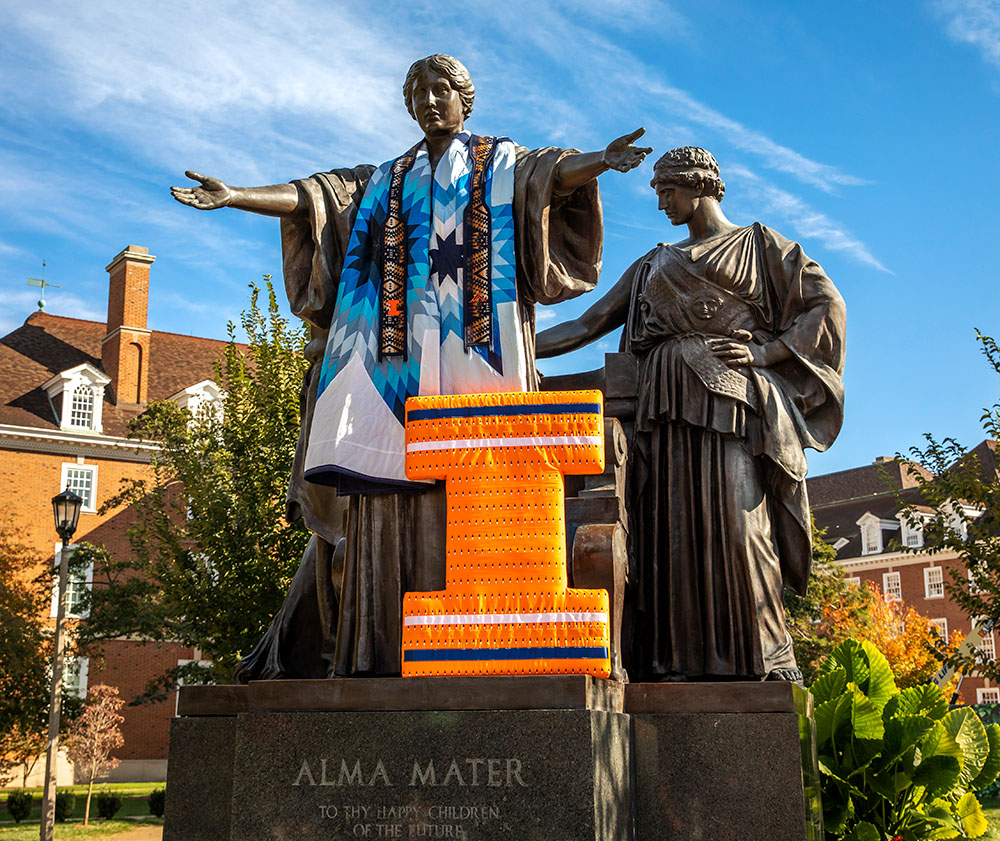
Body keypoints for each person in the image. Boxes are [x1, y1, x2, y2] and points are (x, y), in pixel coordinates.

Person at [171, 54, 651, 678]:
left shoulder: (500, 162)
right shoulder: (385, 180)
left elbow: (552, 176)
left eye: (441, 90)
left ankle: (496, 634)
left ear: (464, 99)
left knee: (490, 484)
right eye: (418, 93)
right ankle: (383, 640)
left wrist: (600, 161)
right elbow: (314, 199)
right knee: (389, 480)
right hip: (394, 366)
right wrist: (236, 195)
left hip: (484, 350)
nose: (429, 102)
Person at [535, 146, 846, 682]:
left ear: (699, 185)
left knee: (740, 528)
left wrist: (768, 353)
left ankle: (764, 659)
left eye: (667, 191)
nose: (661, 204)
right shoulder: (653, 263)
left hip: (730, 405)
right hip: (661, 411)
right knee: (669, 536)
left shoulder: (760, 246)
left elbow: (827, 304)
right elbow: (586, 325)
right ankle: (673, 664)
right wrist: (514, 346)